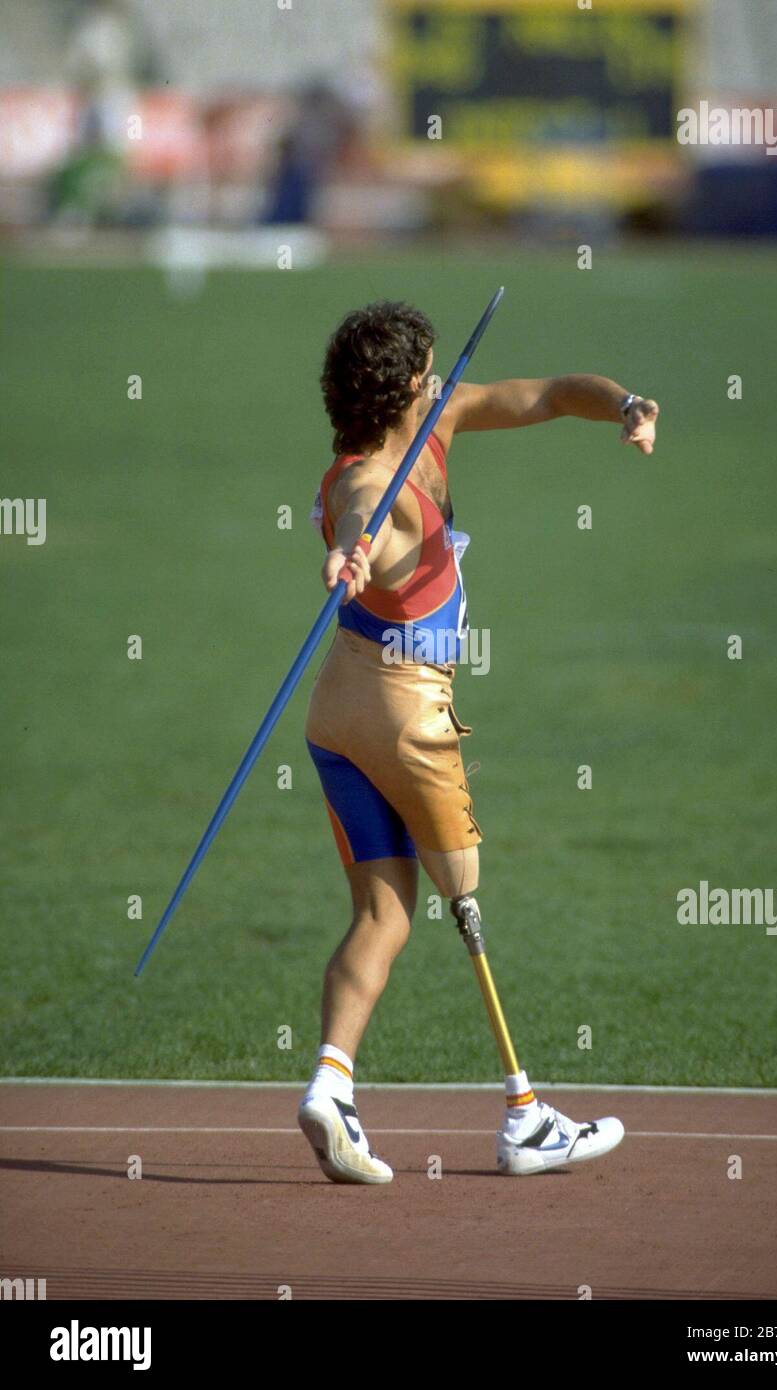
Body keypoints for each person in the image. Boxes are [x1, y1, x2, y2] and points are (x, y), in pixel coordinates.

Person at [298, 301, 659, 1183]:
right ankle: (524, 1117)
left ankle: (330, 1088)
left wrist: (624, 404)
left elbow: (544, 394)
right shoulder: (367, 480)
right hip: (407, 714)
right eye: (428, 375)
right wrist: (349, 553)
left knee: (384, 912)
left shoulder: (434, 420)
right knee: (463, 899)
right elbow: (362, 522)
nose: (443, 384)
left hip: (338, 709)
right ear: (400, 394)